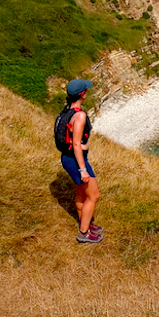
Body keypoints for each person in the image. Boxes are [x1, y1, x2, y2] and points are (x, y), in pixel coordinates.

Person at [59, 78, 103, 243]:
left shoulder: (66, 111)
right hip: (76, 161)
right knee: (94, 195)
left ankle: (86, 223)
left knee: (81, 193)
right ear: (82, 94)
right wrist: (83, 169)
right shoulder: (79, 115)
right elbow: (76, 143)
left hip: (67, 158)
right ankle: (84, 233)